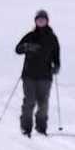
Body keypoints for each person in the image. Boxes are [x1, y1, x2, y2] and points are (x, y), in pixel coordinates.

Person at [14, 9, 61, 137]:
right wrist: (27, 47)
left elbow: (56, 55)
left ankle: (41, 128)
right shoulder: (30, 36)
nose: (41, 21)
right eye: (39, 19)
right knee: (29, 101)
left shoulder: (52, 38)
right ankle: (26, 127)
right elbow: (17, 49)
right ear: (35, 21)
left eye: (43, 19)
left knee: (43, 103)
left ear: (47, 21)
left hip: (45, 76)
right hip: (29, 75)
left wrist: (56, 66)